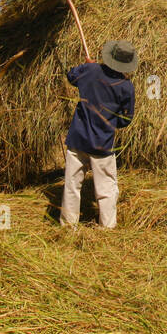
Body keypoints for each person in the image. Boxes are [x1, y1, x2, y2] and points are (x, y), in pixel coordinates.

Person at [61, 40, 138, 229]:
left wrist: (86, 66)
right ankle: (107, 226)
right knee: (106, 187)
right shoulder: (126, 87)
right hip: (103, 143)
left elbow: (71, 76)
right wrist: (109, 124)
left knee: (72, 185)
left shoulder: (91, 70)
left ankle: (68, 227)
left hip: (78, 138)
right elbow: (126, 119)